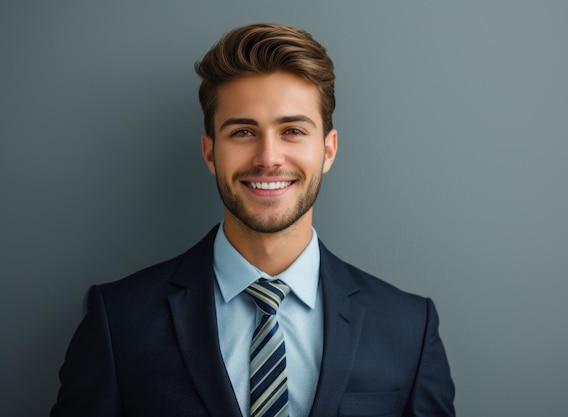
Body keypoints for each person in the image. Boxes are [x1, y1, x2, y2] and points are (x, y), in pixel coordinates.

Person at [51, 23, 455, 417]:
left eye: (293, 130)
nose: (268, 157)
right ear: (210, 153)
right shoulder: (118, 320)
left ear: (328, 151)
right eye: (243, 132)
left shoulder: (409, 329)